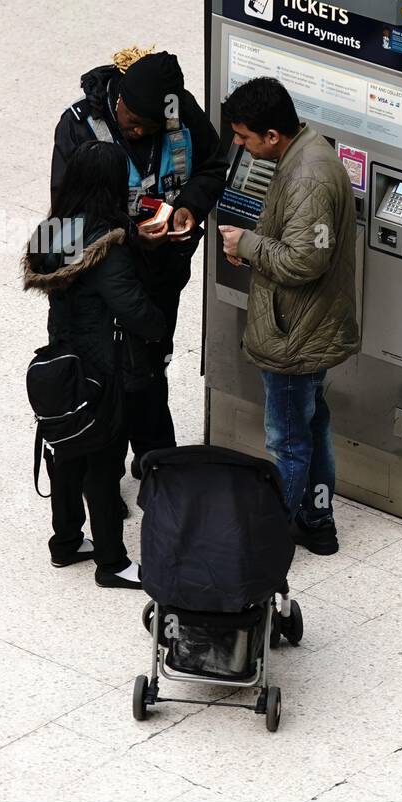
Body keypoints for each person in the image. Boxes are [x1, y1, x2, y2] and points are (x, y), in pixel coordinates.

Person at [51, 47, 227, 480]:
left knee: (151, 362)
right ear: (120, 100)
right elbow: (66, 217)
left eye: (148, 128)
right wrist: (130, 234)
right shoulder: (78, 127)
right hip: (105, 276)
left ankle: (154, 465)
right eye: (131, 122)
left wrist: (188, 207)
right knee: (108, 371)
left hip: (163, 269)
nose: (137, 132)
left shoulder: (179, 111)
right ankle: (105, 474)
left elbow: (214, 164)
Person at [218, 77, 360, 556]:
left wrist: (249, 245)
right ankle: (317, 523)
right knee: (312, 425)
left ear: (272, 136)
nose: (238, 144)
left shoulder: (308, 176)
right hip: (304, 323)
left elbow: (305, 261)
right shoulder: (302, 154)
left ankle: (270, 541)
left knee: (288, 441)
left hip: (294, 333)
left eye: (243, 137)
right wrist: (257, 249)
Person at [24, 141, 166, 588]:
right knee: (103, 464)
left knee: (65, 453)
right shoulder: (106, 245)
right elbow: (134, 309)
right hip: (101, 369)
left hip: (59, 363)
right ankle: (113, 562)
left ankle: (66, 542)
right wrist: (158, 326)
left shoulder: (53, 231)